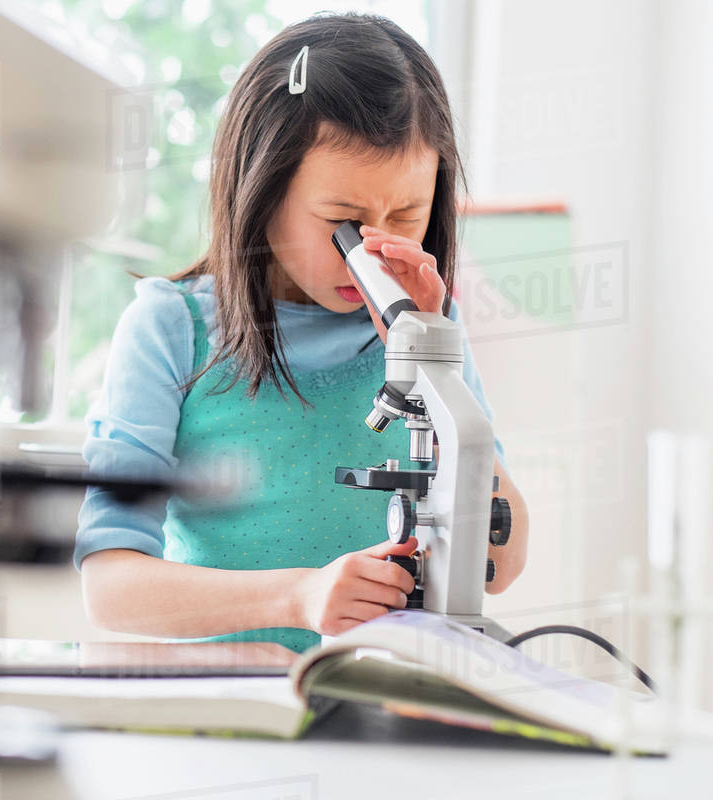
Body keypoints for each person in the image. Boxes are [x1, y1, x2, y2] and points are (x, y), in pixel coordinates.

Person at [75, 12, 528, 653]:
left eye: (407, 216)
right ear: (262, 193)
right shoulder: (170, 328)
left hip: (373, 705)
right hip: (224, 710)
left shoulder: (429, 329)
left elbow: (502, 564)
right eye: (343, 222)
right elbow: (109, 587)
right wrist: (298, 596)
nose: (374, 251)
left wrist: (431, 357)